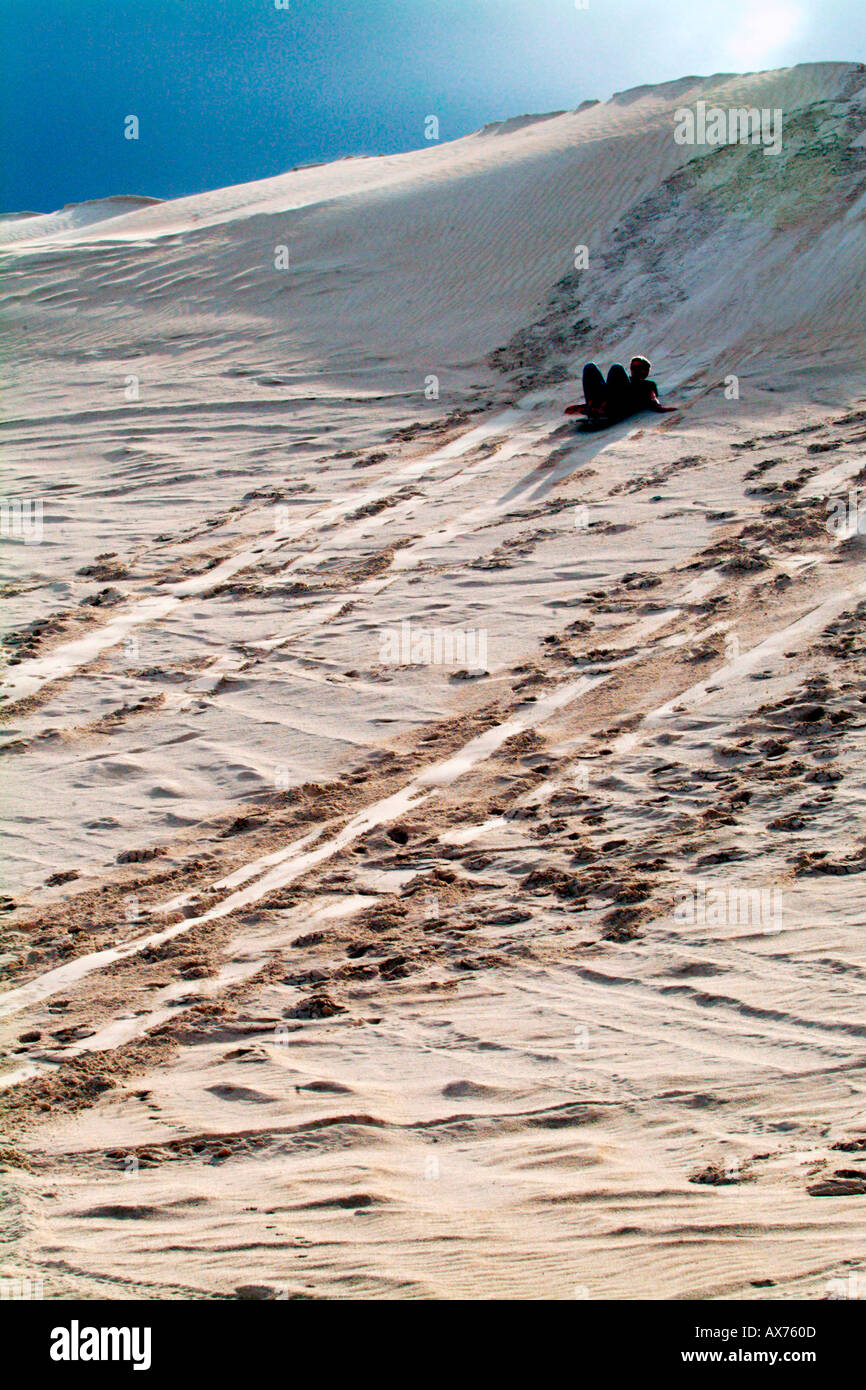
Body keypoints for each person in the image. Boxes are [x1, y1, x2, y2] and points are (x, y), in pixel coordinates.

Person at [565, 356, 678, 423]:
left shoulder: (648, 384)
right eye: (633, 367)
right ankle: (593, 407)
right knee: (589, 367)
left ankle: (603, 410)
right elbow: (606, 391)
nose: (634, 370)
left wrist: (662, 408)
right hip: (605, 402)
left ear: (646, 370)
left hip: (620, 406)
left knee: (617, 368)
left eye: (638, 368)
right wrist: (580, 407)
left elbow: (653, 398)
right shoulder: (624, 379)